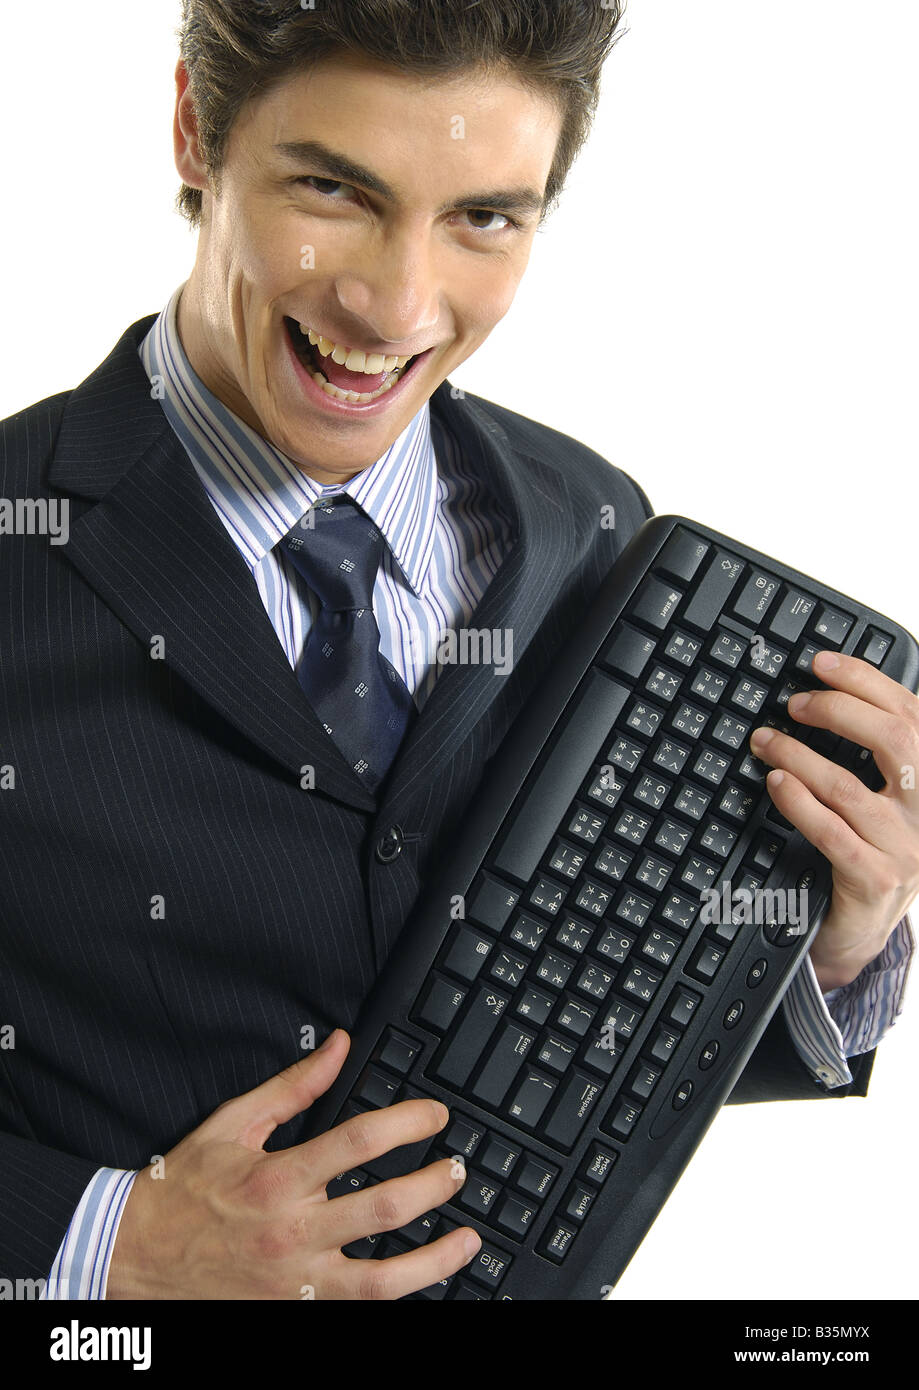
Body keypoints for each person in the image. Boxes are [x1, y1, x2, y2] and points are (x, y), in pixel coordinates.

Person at [1, 0, 915, 1301]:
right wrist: (119, 1243)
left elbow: (572, 1010)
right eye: (334, 189)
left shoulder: (592, 526)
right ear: (195, 132)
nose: (395, 303)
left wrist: (831, 935)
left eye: (484, 216)